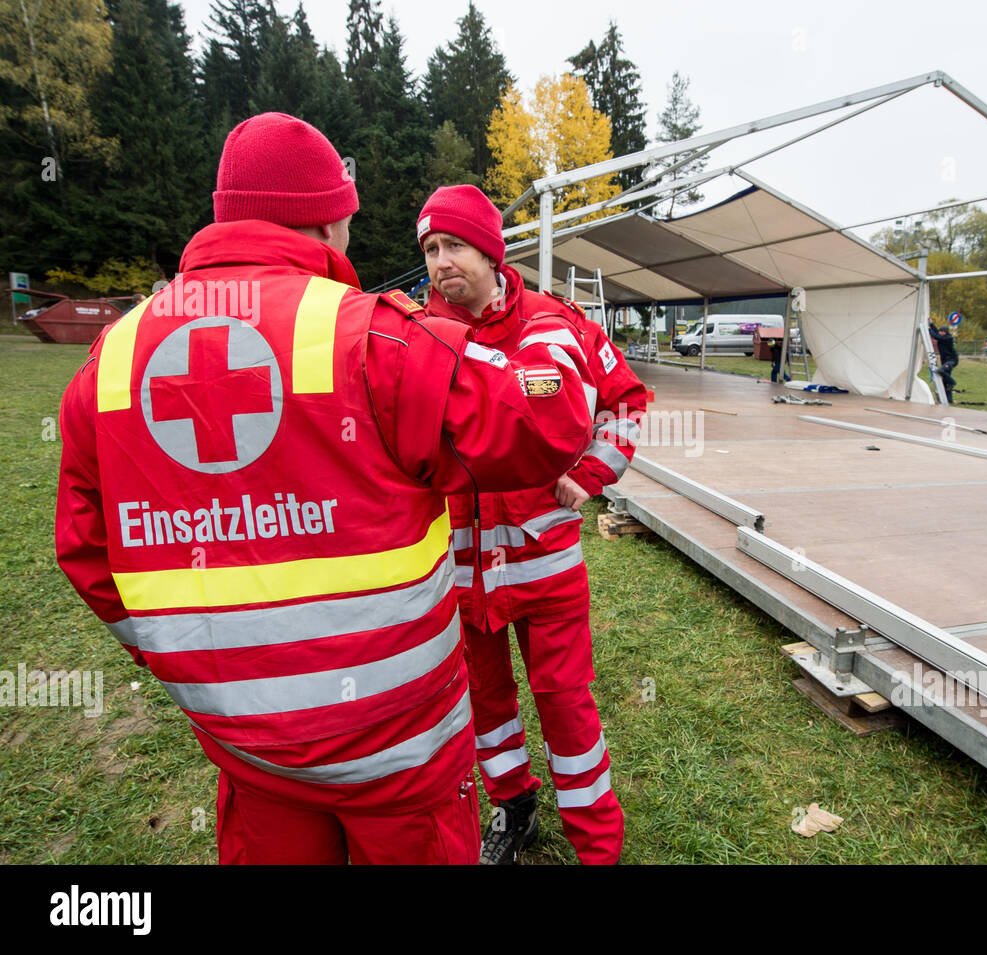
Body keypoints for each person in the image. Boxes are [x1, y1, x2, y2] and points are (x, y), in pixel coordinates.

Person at [54, 113, 597, 865]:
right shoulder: (380, 338)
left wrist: (191, 658)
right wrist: (549, 341)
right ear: (331, 221)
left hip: (252, 759)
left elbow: (86, 552)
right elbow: (548, 423)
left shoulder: (112, 358)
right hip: (400, 764)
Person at [416, 185, 647, 865]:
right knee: (484, 703)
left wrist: (593, 475)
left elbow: (627, 400)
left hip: (546, 565)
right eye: (430, 249)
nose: (441, 261)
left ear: (490, 250)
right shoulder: (416, 338)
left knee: (566, 704)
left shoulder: (560, 324)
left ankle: (598, 846)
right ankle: (511, 807)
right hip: (459, 571)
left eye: (454, 244)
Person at [929, 319, 959, 403]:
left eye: (941, 331)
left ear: (944, 332)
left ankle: (952, 382)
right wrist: (931, 324)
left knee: (940, 371)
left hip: (952, 360)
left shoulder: (948, 338)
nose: (939, 332)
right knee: (945, 382)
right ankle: (949, 400)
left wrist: (928, 329)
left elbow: (936, 336)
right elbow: (937, 332)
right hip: (945, 360)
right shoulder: (943, 336)